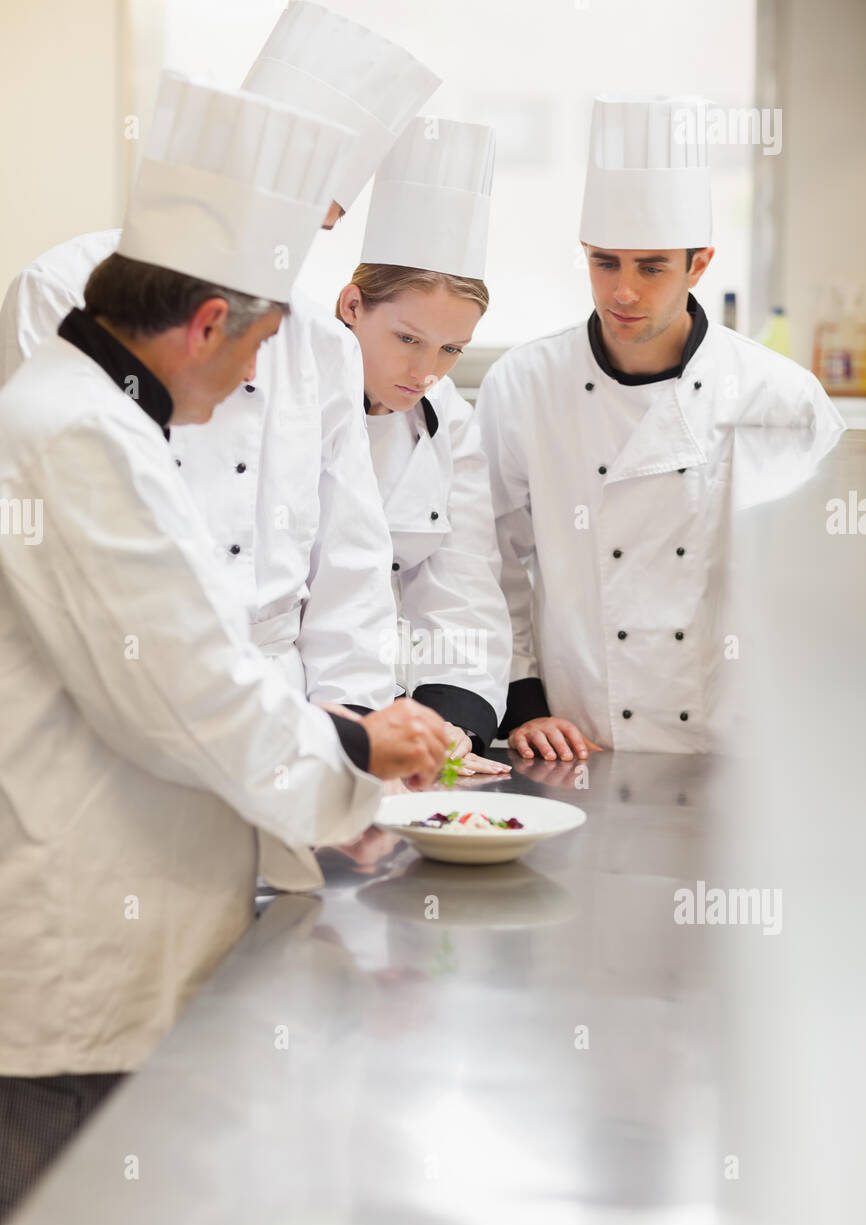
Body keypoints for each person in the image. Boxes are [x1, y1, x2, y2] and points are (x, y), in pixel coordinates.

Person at [0, 75, 448, 1223]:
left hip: (141, 910)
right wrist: (353, 753)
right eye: (256, 348)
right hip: (89, 943)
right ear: (205, 324)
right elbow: (181, 690)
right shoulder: (80, 435)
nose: (258, 379)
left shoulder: (85, 411)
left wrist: (344, 742)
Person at [0, 0, 440, 716]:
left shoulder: (322, 343)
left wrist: (358, 726)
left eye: (319, 224)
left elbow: (350, 559)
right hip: (119, 694)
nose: (248, 369)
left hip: (280, 697)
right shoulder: (60, 291)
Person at [476, 94, 846, 759]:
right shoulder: (523, 386)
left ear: (698, 264)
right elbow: (490, 562)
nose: (623, 292)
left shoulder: (779, 398)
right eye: (605, 263)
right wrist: (522, 703)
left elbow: (825, 587)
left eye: (651, 268)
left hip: (738, 754)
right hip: (580, 741)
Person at [337, 118, 512, 775]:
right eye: (407, 339)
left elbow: (461, 589)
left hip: (395, 723)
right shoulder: (283, 402)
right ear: (352, 305)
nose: (424, 371)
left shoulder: (448, 421)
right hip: (299, 718)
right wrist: (358, 733)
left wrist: (448, 728)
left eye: (450, 350)